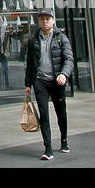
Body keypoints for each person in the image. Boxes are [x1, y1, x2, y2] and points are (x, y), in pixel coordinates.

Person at [24, 8, 73, 160]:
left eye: (47, 19)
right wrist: (28, 84)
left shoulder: (61, 38)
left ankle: (64, 140)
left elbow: (69, 59)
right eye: (42, 19)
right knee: (43, 114)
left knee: (61, 112)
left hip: (57, 81)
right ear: (39, 21)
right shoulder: (34, 40)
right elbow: (30, 64)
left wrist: (64, 74)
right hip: (40, 81)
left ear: (53, 20)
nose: (44, 22)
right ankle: (48, 148)